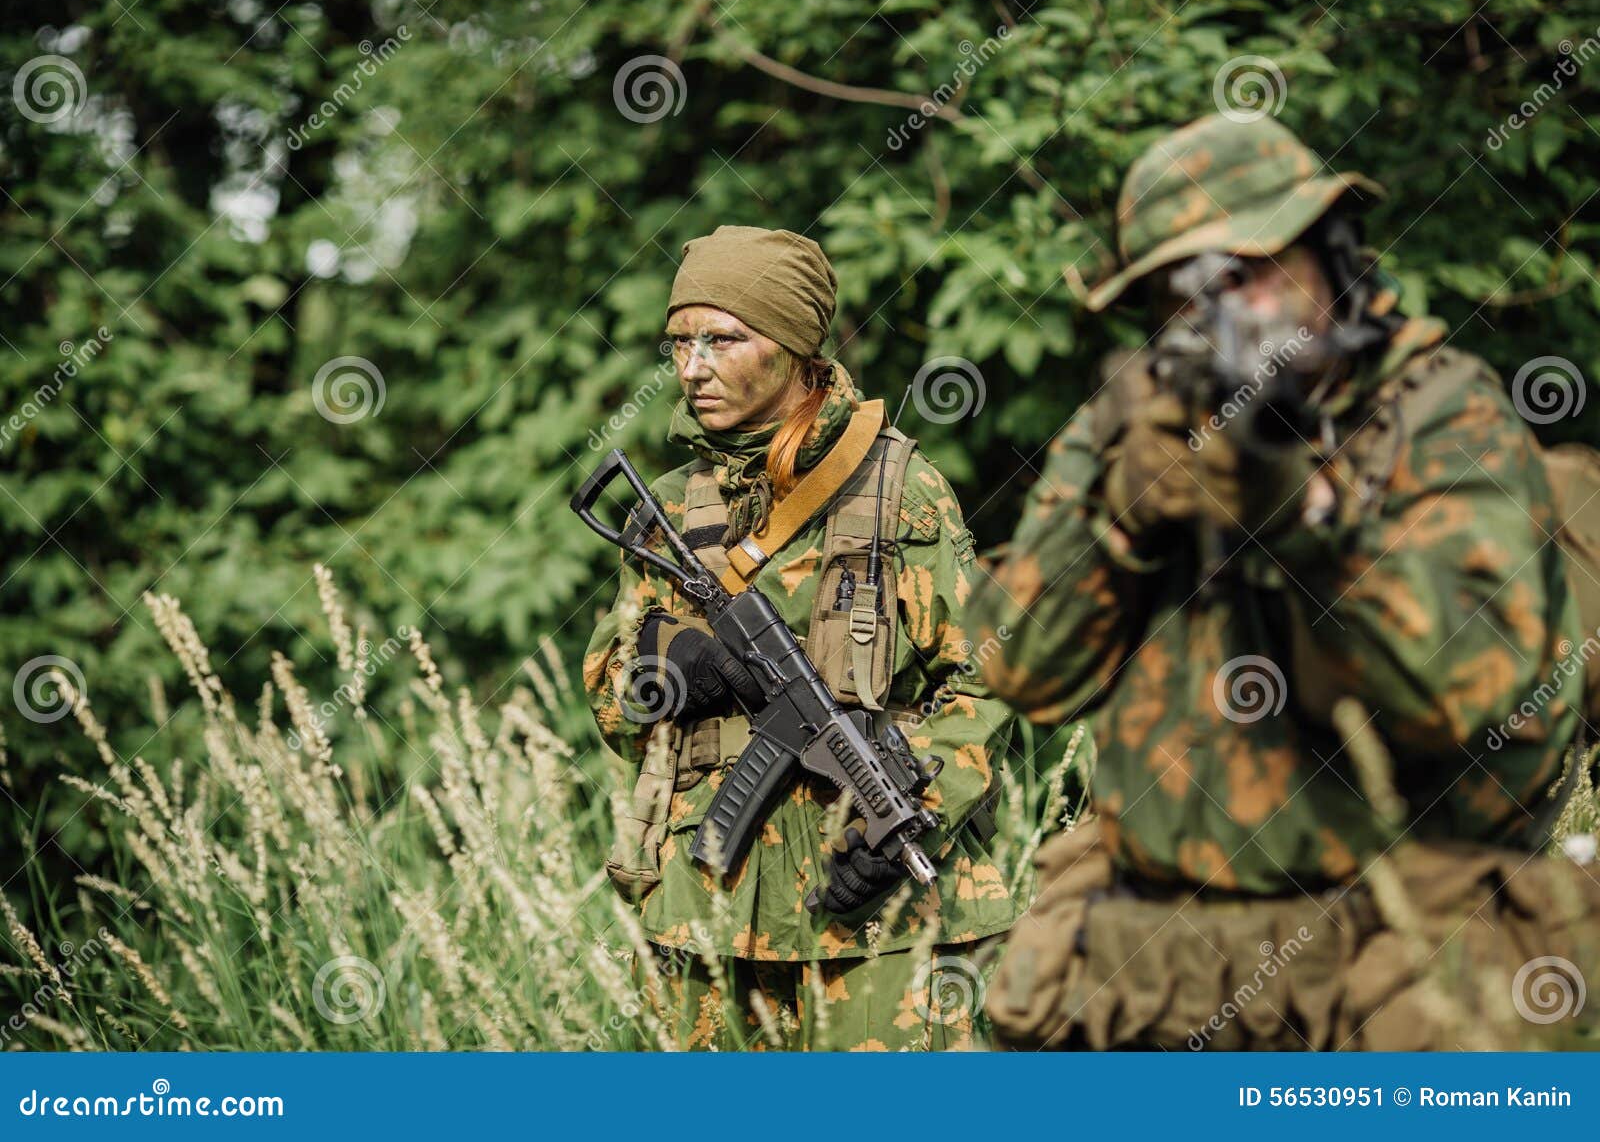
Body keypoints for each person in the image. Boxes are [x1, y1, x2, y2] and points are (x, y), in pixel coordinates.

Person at [968, 114, 1600, 1050]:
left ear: (1331, 255)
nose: (1232, 312)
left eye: (1253, 270)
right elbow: (1020, 670)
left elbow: (1466, 692)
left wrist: (1300, 517)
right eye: (1189, 291)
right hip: (1148, 970)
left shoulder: (1440, 411)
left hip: (1388, 958)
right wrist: (1120, 526)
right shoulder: (1130, 426)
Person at [582, 225, 1016, 1050]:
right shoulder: (671, 508)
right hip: (706, 915)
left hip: (874, 922)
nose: (691, 367)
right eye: (680, 341)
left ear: (792, 347)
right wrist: (663, 668)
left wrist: (915, 816)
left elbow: (992, 677)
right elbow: (612, 708)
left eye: (723, 338)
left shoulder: (901, 493)